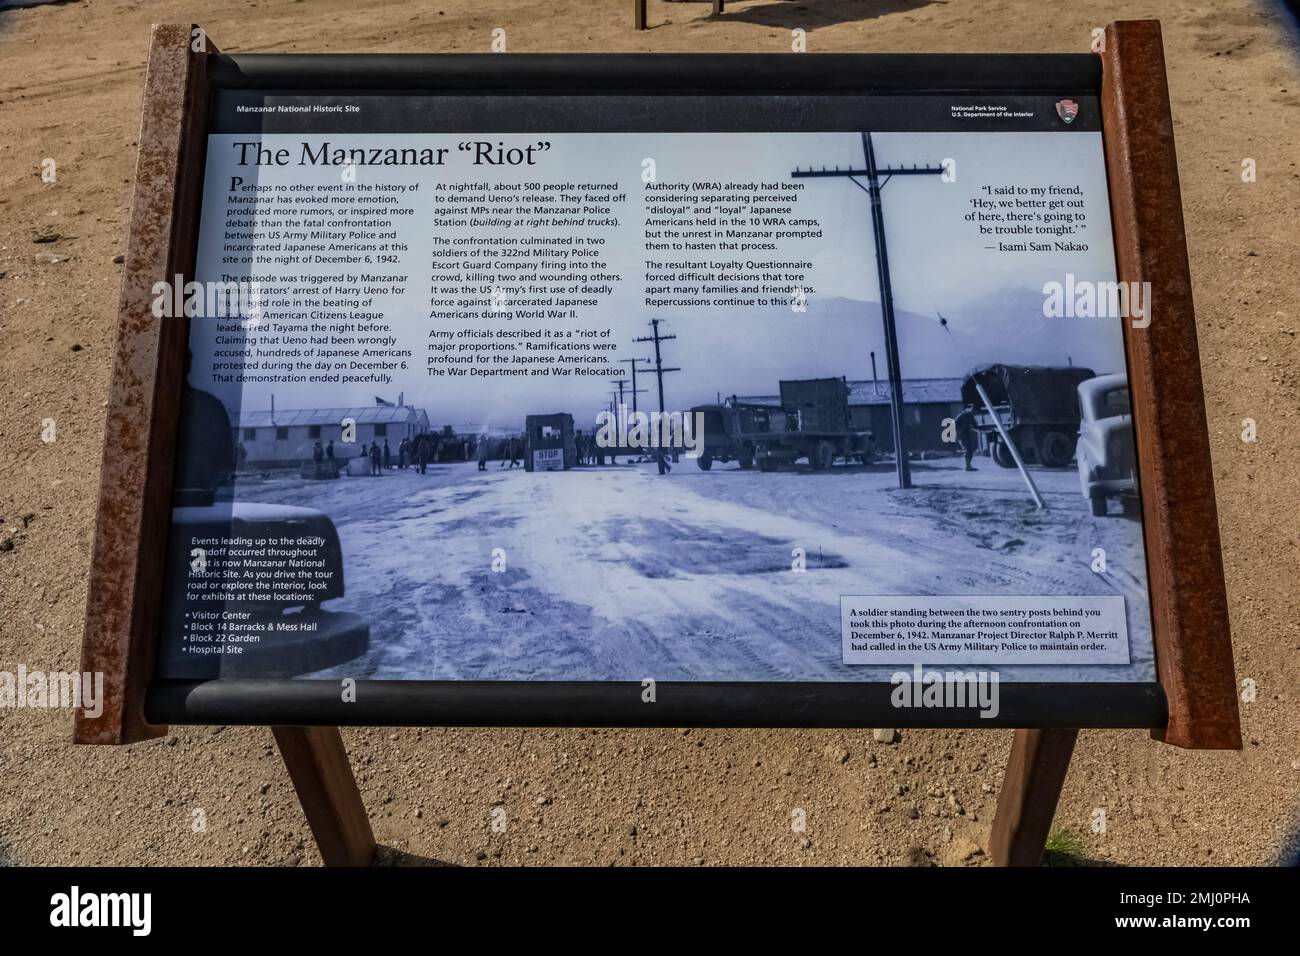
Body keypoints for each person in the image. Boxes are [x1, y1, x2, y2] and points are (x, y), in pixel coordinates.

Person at [954, 403, 979, 472]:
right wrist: (959, 430)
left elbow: (975, 425)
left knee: (970, 449)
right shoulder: (964, 414)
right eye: (974, 410)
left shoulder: (970, 415)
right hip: (961, 435)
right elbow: (954, 423)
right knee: (968, 449)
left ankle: (968, 466)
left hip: (965, 434)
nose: (975, 412)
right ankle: (968, 466)